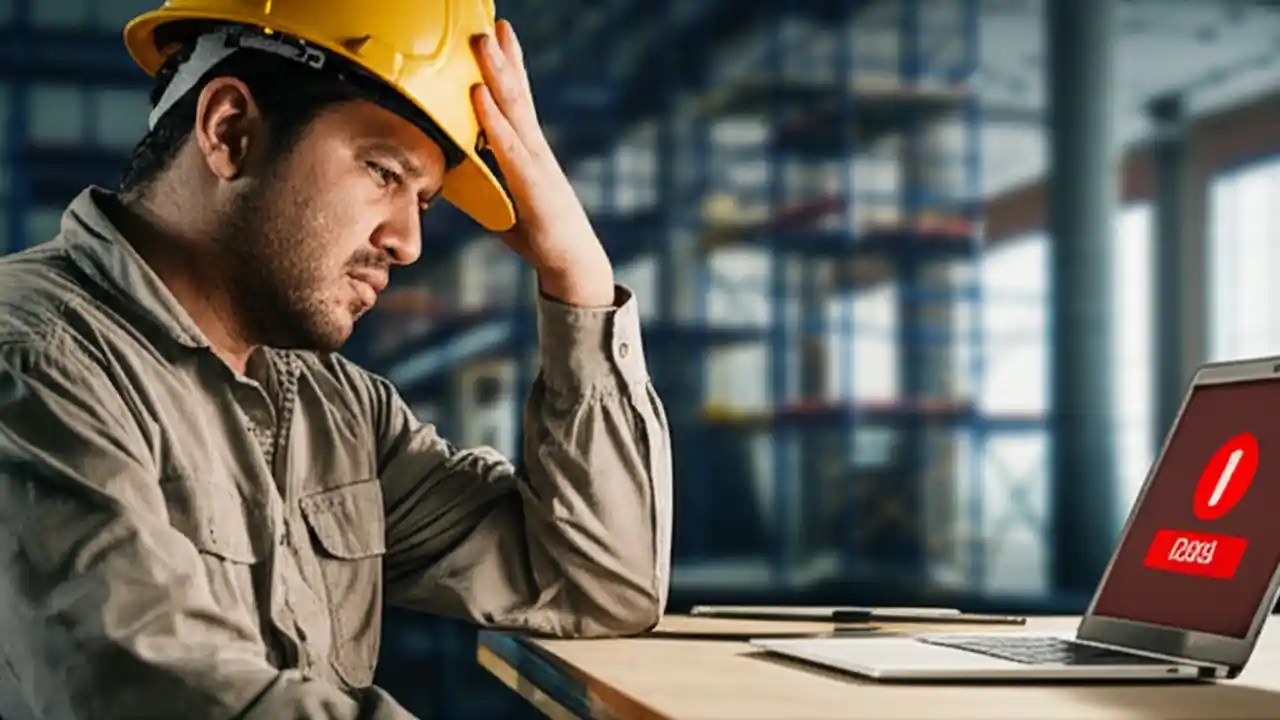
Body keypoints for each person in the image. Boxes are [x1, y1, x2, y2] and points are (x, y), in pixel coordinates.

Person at [0, 2, 672, 718]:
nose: (409, 242)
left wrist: (580, 285)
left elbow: (596, 584)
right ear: (231, 131)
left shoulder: (339, 413)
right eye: (384, 172)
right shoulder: (36, 365)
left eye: (426, 201)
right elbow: (162, 693)